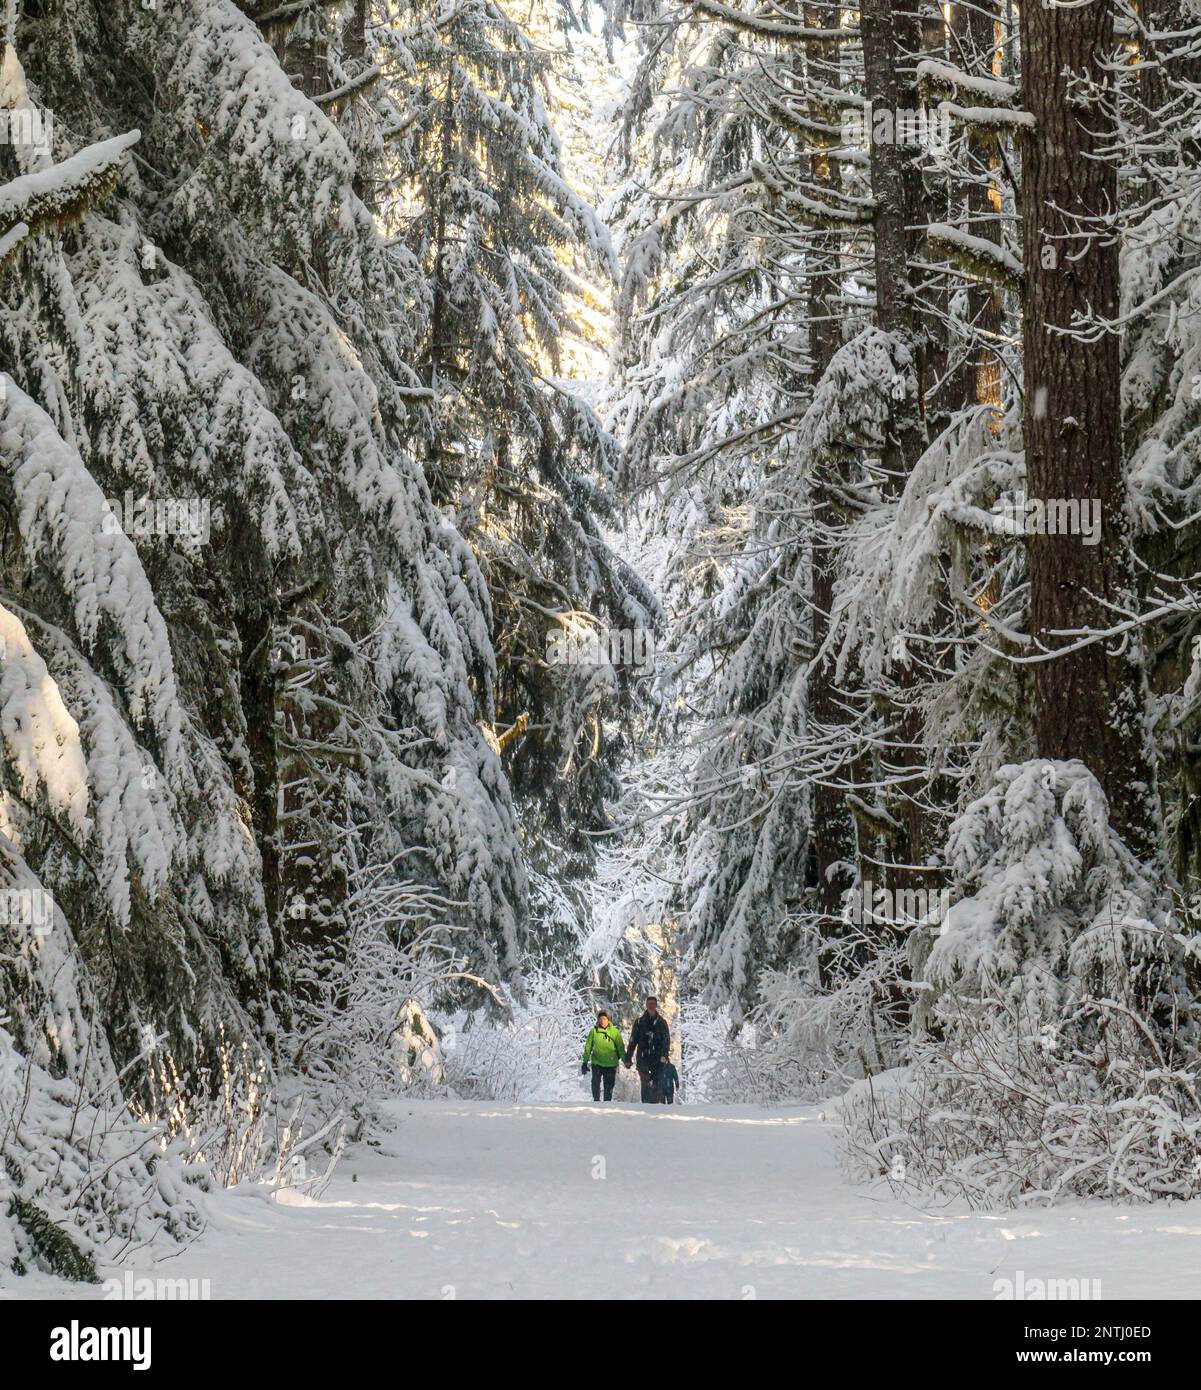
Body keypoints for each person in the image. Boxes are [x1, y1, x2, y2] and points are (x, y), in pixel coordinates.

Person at [625, 995, 670, 1103]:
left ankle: (654, 1109)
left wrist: (664, 1055)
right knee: (645, 1083)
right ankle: (645, 1108)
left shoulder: (662, 1023)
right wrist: (628, 1058)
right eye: (649, 1004)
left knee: (656, 1083)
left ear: (656, 1006)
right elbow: (633, 1041)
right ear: (646, 1005)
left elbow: (666, 1040)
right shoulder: (639, 1022)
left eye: (653, 1004)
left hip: (658, 1059)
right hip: (643, 1058)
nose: (651, 1006)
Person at [580, 1010, 625, 1102]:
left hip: (611, 1064)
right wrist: (585, 1062)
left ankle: (607, 1104)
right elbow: (588, 1047)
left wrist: (626, 1061)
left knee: (608, 1086)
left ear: (608, 1020)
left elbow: (620, 1047)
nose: (602, 1021)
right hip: (597, 1062)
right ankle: (596, 1101)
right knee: (595, 1083)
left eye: (604, 1018)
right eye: (600, 1019)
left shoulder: (614, 1032)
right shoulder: (594, 1032)